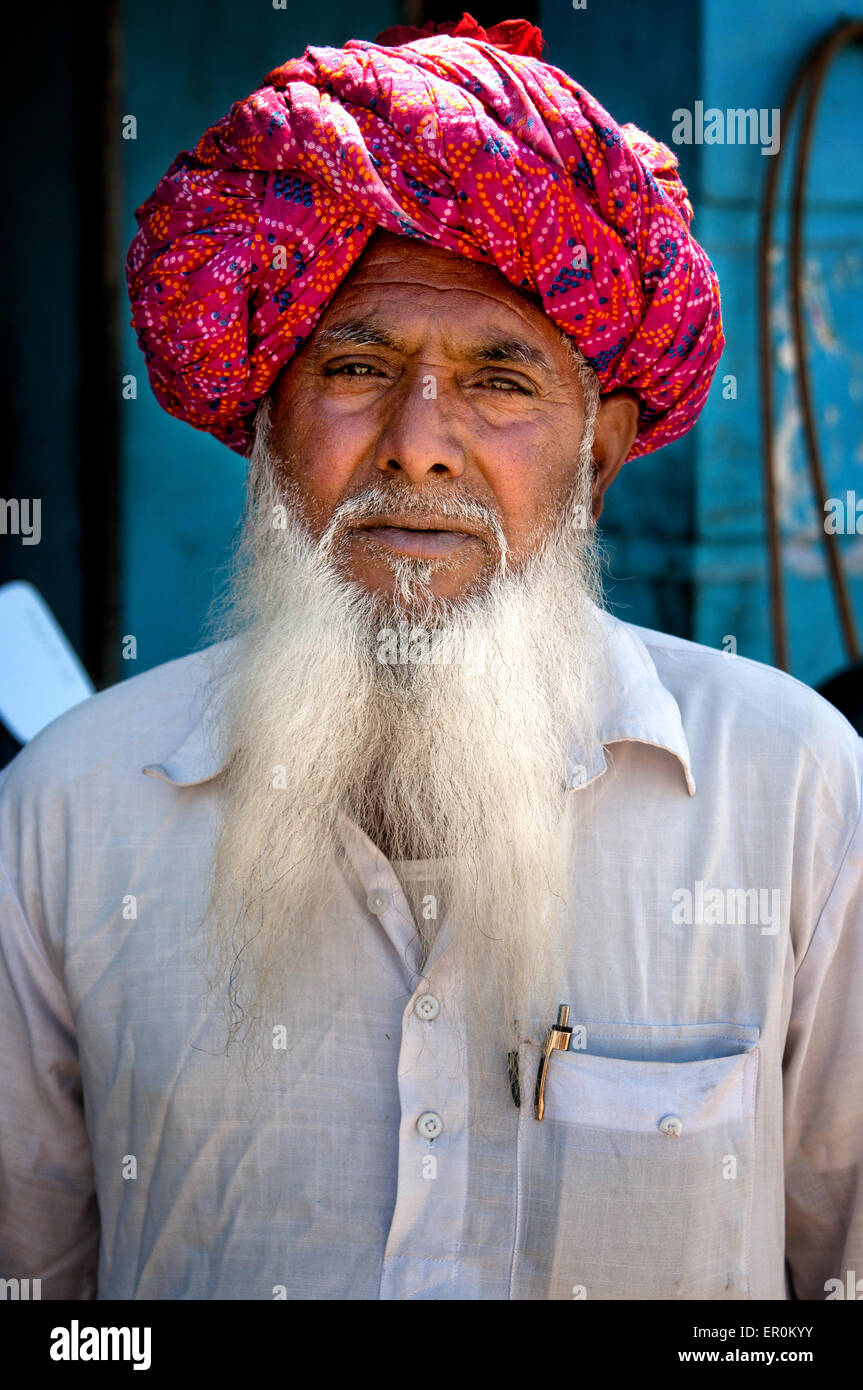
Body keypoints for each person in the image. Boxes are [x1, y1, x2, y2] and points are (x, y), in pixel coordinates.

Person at [1, 15, 860, 1302]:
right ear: (264, 423)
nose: (418, 444)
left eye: (500, 382)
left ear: (603, 446)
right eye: (354, 366)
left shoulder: (790, 789)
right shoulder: (68, 810)